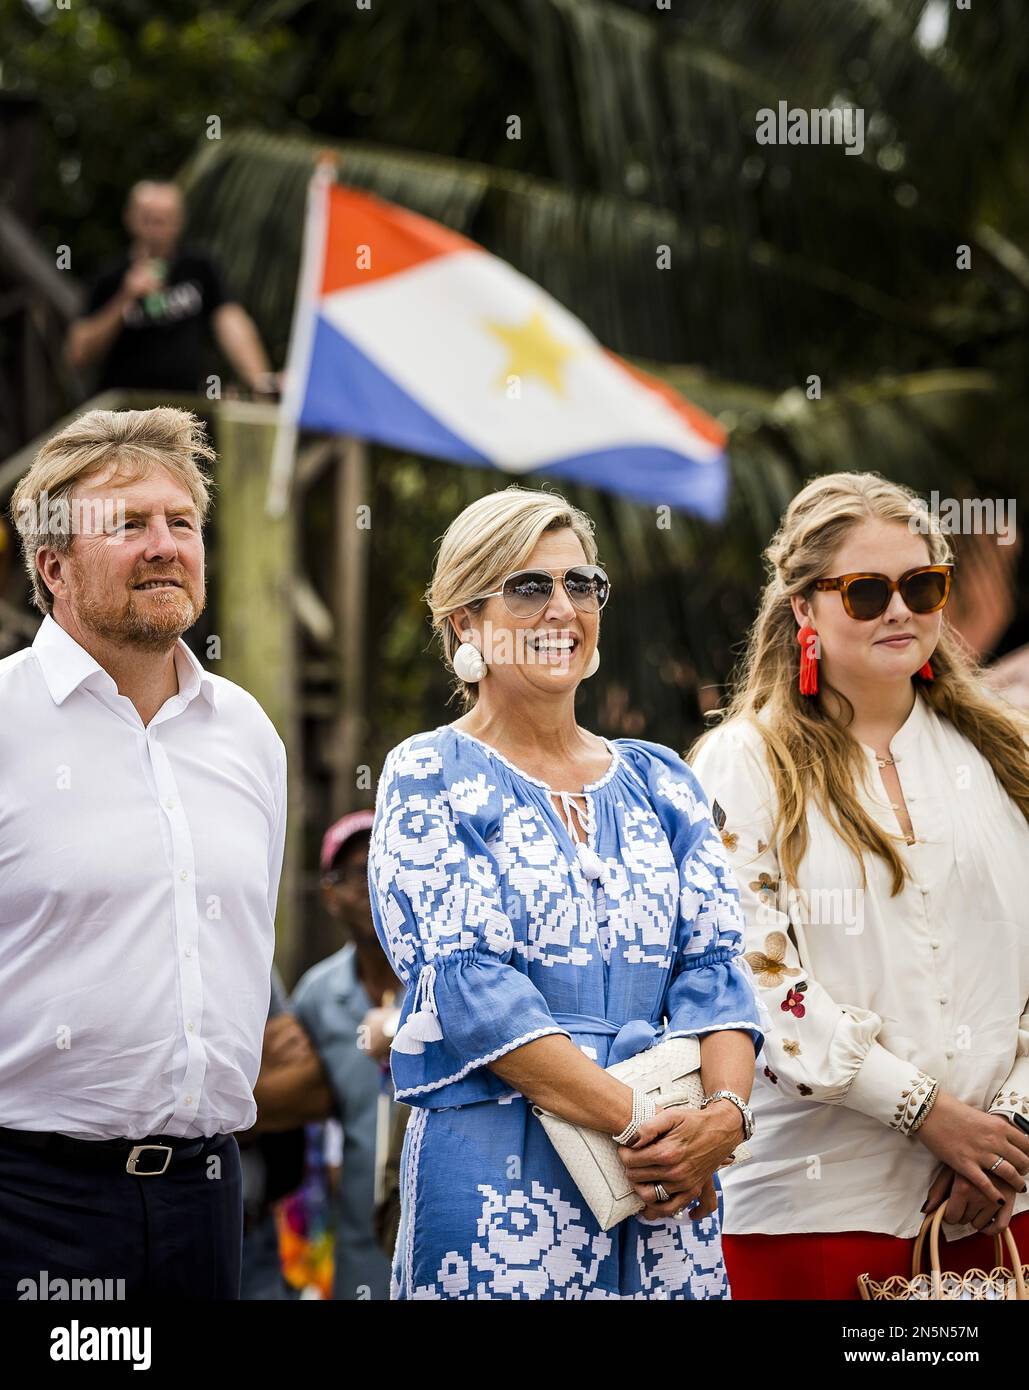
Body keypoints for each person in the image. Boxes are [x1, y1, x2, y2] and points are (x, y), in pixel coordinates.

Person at [366, 486, 765, 1300]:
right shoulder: (427, 774)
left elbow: (716, 973)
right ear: (464, 624)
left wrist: (720, 1122)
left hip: (670, 1184)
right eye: (528, 586)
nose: (561, 606)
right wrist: (637, 1123)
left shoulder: (663, 780)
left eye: (580, 584)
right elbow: (476, 994)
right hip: (499, 1177)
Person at [690, 471, 1029, 1300]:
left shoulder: (1004, 755)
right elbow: (752, 977)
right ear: (804, 606)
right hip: (816, 1210)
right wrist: (927, 1113)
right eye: (866, 591)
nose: (898, 612)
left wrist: (1009, 1129)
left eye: (921, 586)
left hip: (999, 1205)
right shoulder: (745, 761)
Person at [0, 406, 287, 1301]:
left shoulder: (248, 733)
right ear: (53, 567)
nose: (166, 544)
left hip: (206, 1199)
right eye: (128, 525)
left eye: (182, 523)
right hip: (28, 1201)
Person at [289, 811, 402, 1301]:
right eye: (353, 873)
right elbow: (302, 1111)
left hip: (444, 1227)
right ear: (330, 895)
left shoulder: (447, 976)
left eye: (380, 863)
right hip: (355, 1239)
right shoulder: (318, 996)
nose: (370, 884)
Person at [65, 181, 276, 397]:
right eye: (149, 219)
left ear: (179, 222)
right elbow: (78, 353)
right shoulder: (110, 276)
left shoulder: (199, 267)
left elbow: (230, 320)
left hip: (184, 409)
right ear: (130, 219)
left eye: (165, 220)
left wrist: (261, 380)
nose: (157, 229)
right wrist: (125, 297)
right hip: (124, 415)